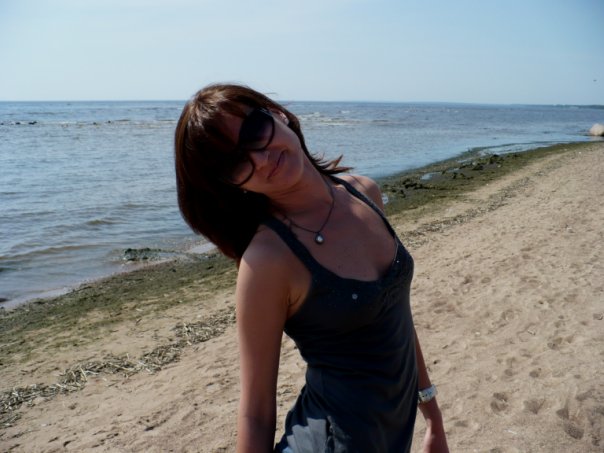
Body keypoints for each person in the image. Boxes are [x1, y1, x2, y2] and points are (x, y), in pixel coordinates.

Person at [174, 83, 449, 453]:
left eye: (255, 131)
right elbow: (256, 413)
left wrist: (433, 417)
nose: (259, 159)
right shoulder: (267, 260)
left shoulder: (364, 193)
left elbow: (396, 315)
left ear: (279, 115)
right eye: (235, 163)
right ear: (230, 184)